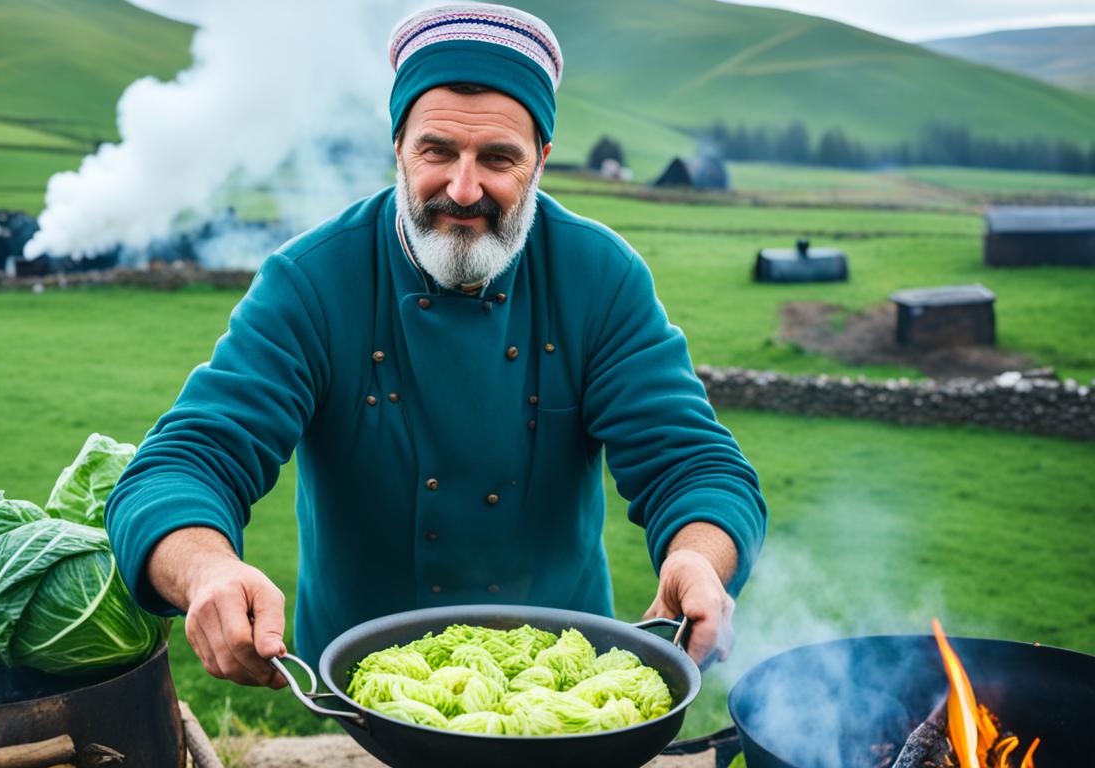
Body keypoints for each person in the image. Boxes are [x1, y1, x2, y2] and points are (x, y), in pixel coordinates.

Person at [105, 3, 766, 690]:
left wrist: (698, 557)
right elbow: (179, 467)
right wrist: (208, 568)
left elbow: (698, 467)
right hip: (369, 693)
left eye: (498, 158)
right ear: (398, 146)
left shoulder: (600, 276)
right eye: (438, 151)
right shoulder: (310, 282)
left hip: (563, 688)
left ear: (539, 161)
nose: (463, 188)